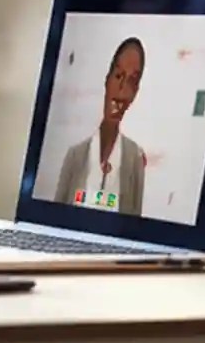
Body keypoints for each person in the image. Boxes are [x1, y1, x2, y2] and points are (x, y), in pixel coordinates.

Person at [53, 37, 146, 216]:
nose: (122, 89)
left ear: (135, 93)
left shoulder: (135, 158)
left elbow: (135, 227)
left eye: (132, 82)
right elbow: (54, 220)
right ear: (107, 80)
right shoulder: (75, 155)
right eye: (118, 76)